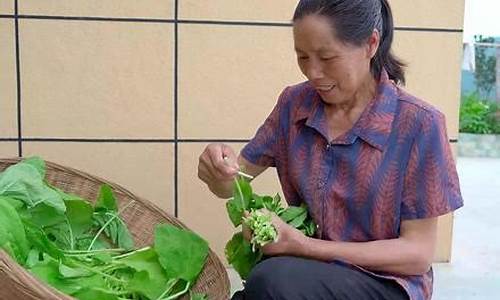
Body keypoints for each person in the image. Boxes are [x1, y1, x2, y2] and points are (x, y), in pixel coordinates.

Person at [197, 0, 463, 299]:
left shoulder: (419, 124)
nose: (313, 72)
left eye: (327, 57)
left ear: (371, 43)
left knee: (273, 280)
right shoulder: (293, 105)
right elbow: (234, 182)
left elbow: (417, 254)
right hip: (304, 275)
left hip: (384, 283)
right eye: (302, 56)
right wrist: (217, 171)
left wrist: (303, 246)